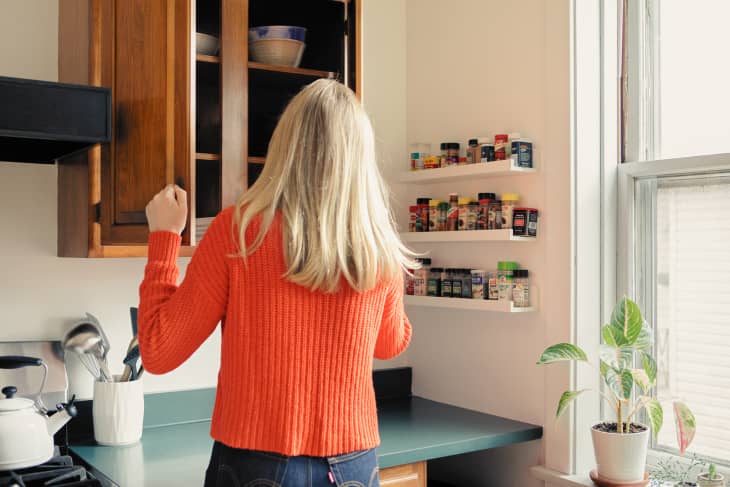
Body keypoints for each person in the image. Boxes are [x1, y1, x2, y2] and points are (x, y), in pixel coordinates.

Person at [138, 79, 415, 487]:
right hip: (353, 464)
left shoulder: (236, 232)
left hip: (255, 463)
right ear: (360, 158)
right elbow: (391, 343)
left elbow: (159, 352)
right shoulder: (378, 246)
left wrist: (165, 238)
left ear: (283, 146)